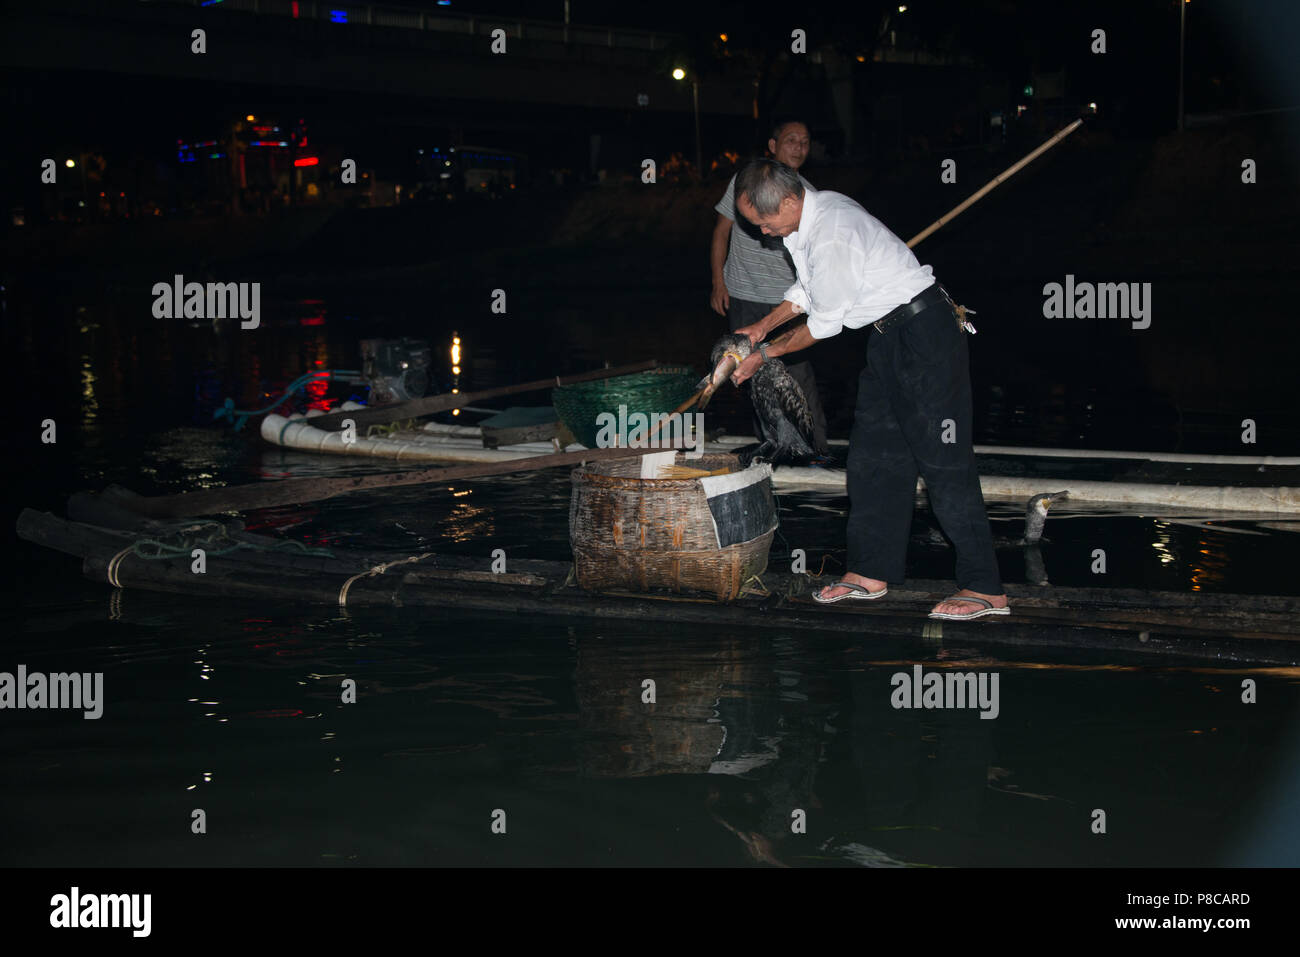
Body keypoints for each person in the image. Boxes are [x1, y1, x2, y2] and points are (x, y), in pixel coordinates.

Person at [728, 157, 1008, 621]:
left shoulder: (834, 231)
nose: (764, 233)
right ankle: (869, 573)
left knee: (942, 461)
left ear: (791, 200)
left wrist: (765, 354)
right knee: (873, 457)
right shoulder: (809, 221)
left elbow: (823, 324)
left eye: (765, 222)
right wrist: (761, 326)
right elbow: (806, 290)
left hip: (925, 336)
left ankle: (986, 589)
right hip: (886, 337)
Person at [710, 120, 828, 454]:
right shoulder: (745, 182)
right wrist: (719, 281)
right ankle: (770, 445)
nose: (799, 148)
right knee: (751, 376)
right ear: (773, 146)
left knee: (798, 376)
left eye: (805, 142)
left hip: (787, 303)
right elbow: (721, 230)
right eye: (791, 140)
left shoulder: (808, 198)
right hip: (745, 296)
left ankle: (814, 450)